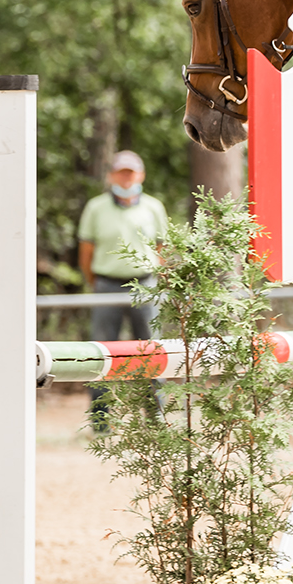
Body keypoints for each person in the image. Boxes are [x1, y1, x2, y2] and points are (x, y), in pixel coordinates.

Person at [76, 150, 169, 412]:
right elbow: (86, 251)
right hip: (107, 285)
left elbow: (162, 249)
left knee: (151, 349)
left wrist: (160, 282)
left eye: (130, 173)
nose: (126, 179)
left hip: (145, 286)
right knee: (102, 352)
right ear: (111, 176)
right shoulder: (96, 207)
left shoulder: (153, 207)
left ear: (141, 175)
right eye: (121, 173)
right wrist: (95, 281)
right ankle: (101, 418)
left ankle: (156, 416)